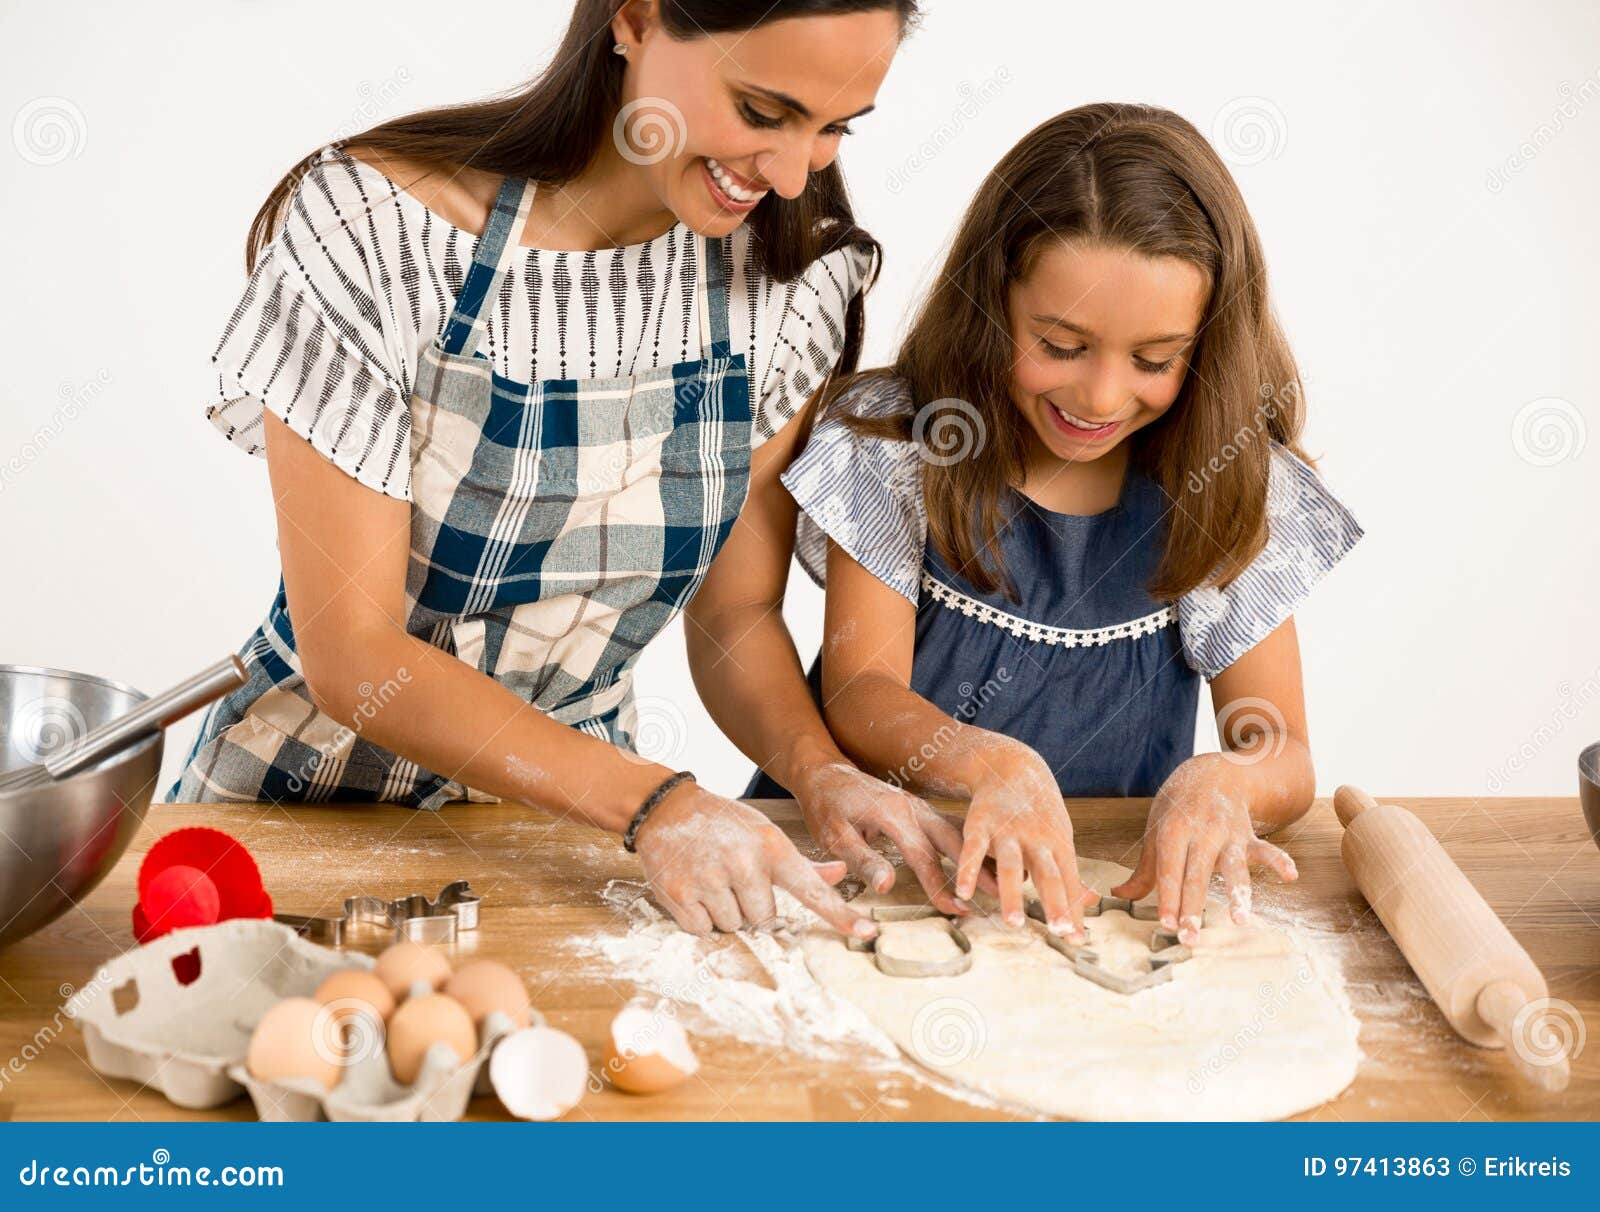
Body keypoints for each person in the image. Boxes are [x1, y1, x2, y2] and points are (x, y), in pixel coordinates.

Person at [168, 0, 963, 939]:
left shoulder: (788, 280)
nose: (794, 176)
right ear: (634, 20)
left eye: (833, 129)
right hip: (299, 819)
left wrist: (816, 769)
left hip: (569, 840)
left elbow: (734, 615)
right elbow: (356, 656)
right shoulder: (377, 231)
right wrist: (658, 803)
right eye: (761, 112)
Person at [756, 103, 1364, 945]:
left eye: (1154, 360)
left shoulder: (1225, 485)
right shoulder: (903, 445)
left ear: (1208, 344)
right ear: (992, 298)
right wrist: (990, 762)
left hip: (1081, 903)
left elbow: (1282, 749)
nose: (1102, 396)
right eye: (1062, 344)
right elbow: (862, 694)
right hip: (866, 874)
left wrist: (1226, 780)